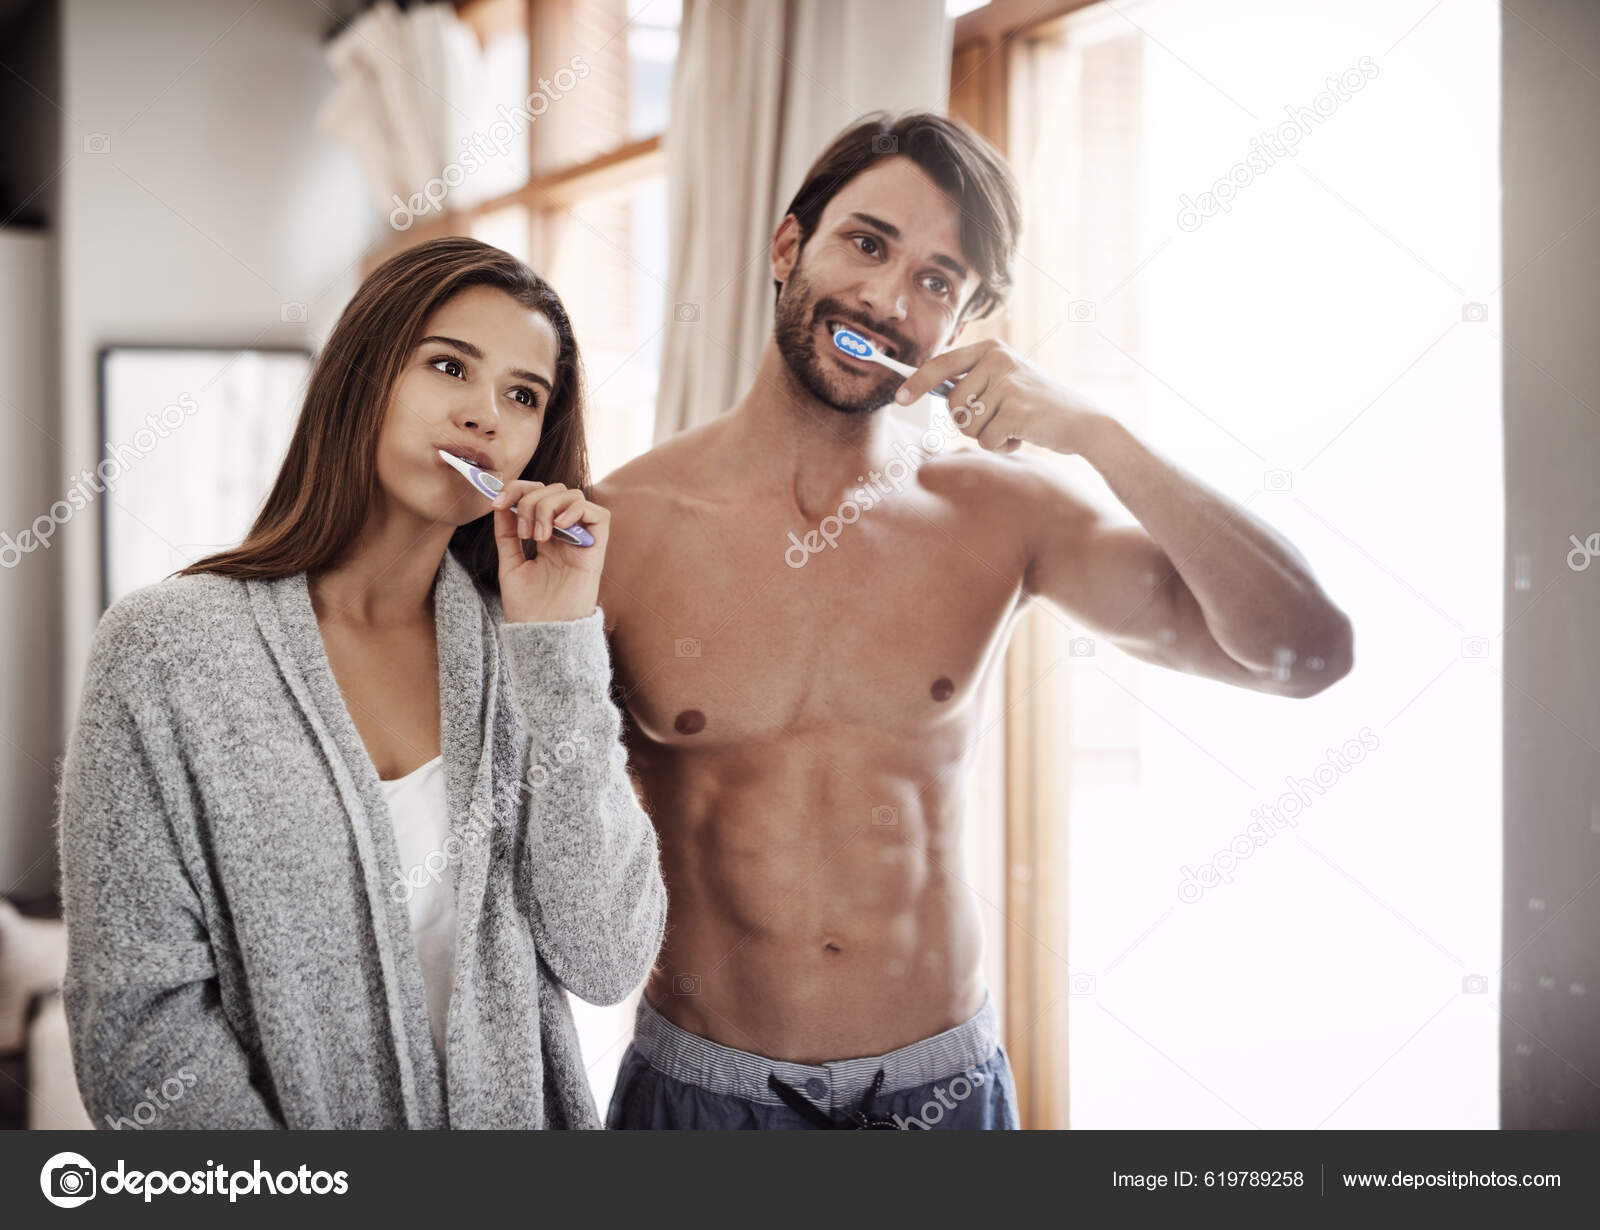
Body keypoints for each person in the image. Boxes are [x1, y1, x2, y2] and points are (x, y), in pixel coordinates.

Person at [595, 112, 1354, 1130]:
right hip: (702, 1094)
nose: (886, 298)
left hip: (938, 1093)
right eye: (867, 244)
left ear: (963, 319)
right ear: (788, 247)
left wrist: (1096, 434)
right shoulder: (623, 529)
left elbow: (1303, 655)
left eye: (936, 279)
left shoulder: (998, 513)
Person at [57, 237, 666, 1129]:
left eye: (522, 395)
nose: (485, 416)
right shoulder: (163, 652)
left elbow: (607, 956)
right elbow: (139, 1036)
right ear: (365, 372)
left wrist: (564, 642)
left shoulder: (529, 657)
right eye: (450, 365)